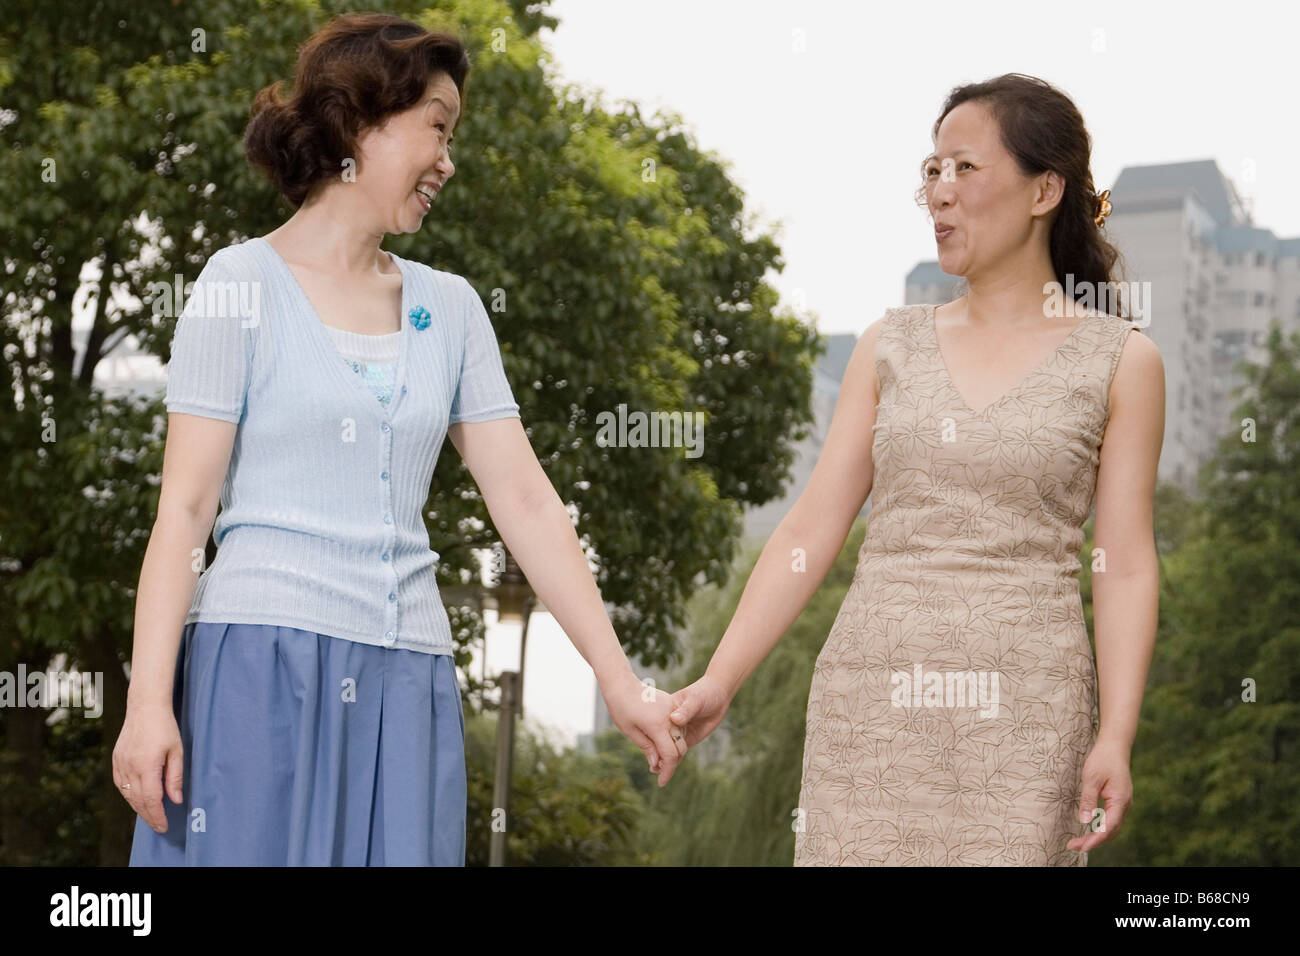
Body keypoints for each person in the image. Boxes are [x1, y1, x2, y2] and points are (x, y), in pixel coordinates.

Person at [117, 12, 684, 867]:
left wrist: (618, 679)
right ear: (358, 123)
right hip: (258, 666)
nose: (448, 162)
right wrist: (148, 702)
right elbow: (185, 508)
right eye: (437, 129)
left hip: (406, 679)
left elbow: (525, 500)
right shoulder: (240, 284)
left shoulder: (448, 308)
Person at [665, 73, 1164, 865]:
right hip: (872, 700)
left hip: (1028, 708)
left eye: (965, 168)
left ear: (1044, 190)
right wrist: (718, 682)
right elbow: (812, 526)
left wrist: (1117, 734)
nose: (939, 192)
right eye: (931, 171)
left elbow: (1127, 562)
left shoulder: (1122, 362)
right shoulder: (886, 345)